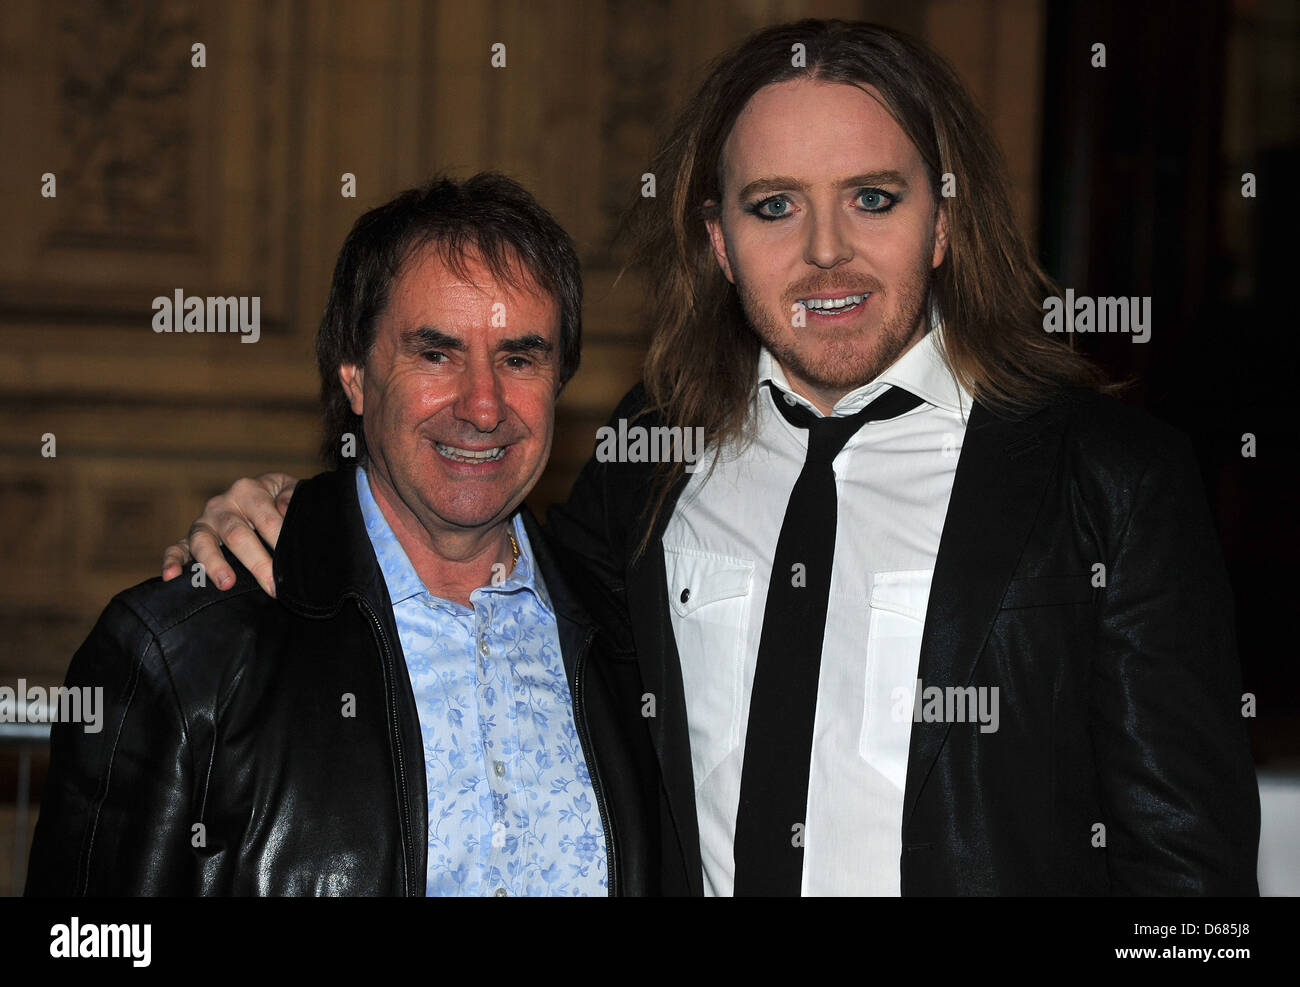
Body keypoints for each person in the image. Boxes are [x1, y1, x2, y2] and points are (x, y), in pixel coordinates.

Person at [160, 20, 1259, 895]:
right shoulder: (654, 449)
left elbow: (1187, 870)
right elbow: (468, 555)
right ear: (718, 244)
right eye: (774, 206)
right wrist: (296, 516)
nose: (826, 250)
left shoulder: (1109, 478)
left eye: (873, 198)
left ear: (942, 222)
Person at [27, 173, 657, 897]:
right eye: (435, 353)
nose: (483, 407)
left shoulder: (627, 646)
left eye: (519, 357)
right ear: (355, 377)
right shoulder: (185, 651)